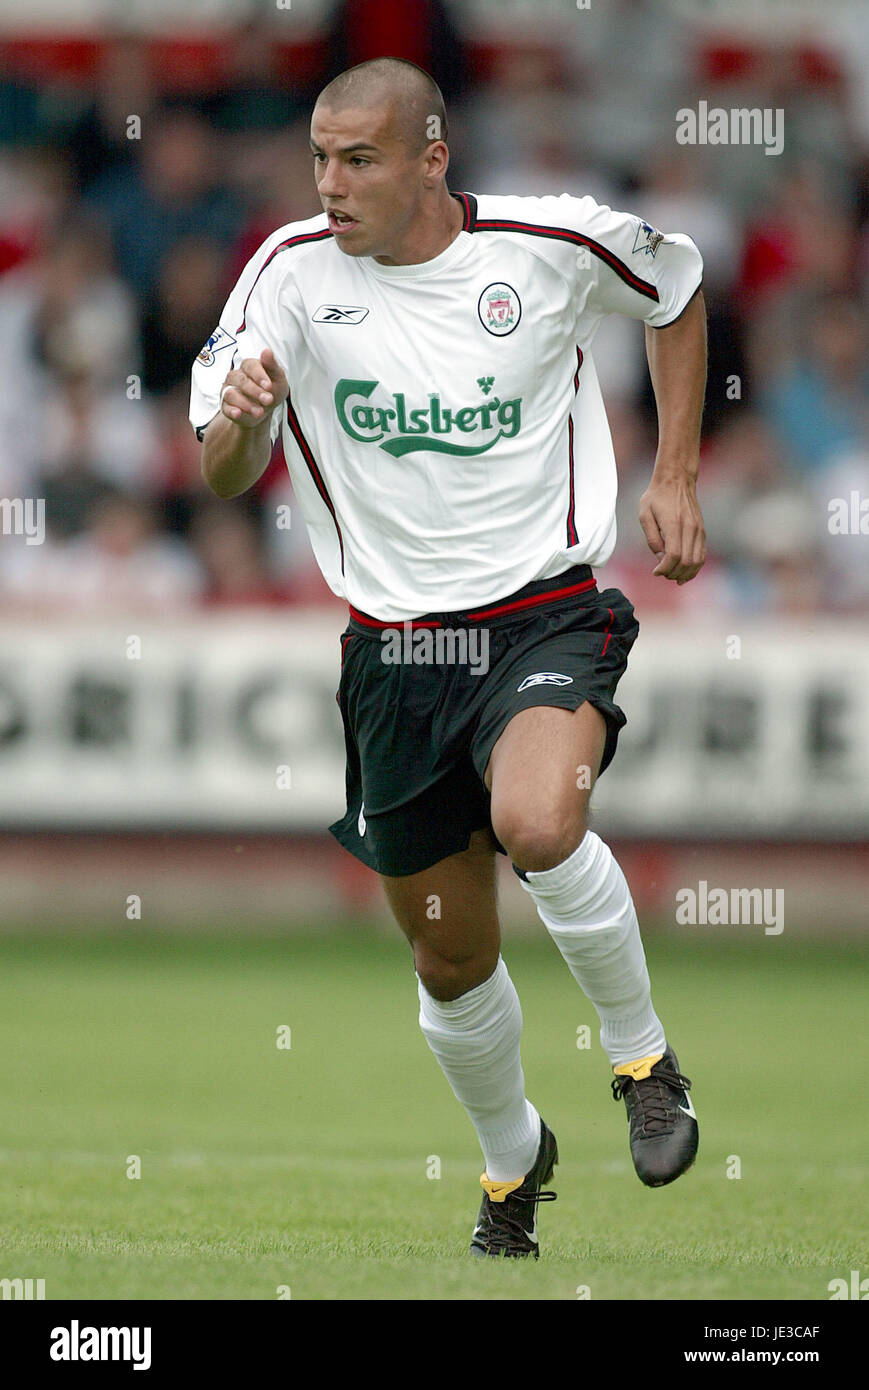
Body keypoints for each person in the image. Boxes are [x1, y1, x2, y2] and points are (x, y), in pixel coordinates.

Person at [191, 56, 707, 1259]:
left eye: (358, 158)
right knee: (449, 956)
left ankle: (642, 1063)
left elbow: (675, 288)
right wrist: (243, 423)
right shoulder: (284, 275)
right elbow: (217, 465)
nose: (330, 183)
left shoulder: (545, 242)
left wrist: (674, 471)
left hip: (544, 613)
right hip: (392, 654)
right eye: (319, 157)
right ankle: (512, 1158)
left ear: (431, 157)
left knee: (538, 821)